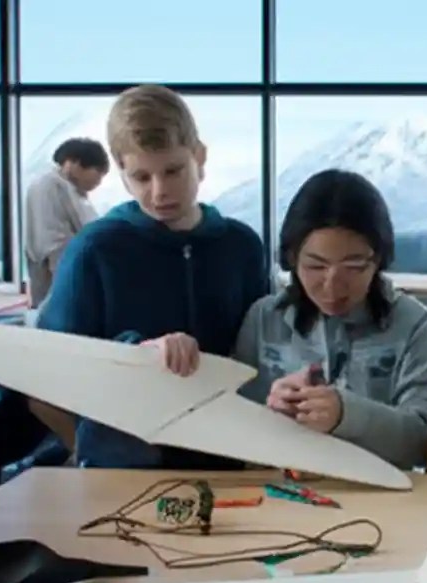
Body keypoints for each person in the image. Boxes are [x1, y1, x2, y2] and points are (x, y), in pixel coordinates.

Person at [36, 84, 269, 470]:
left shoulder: (242, 247)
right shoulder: (94, 250)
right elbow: (49, 377)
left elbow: (262, 356)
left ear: (200, 156)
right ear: (122, 174)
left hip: (228, 463)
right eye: (142, 177)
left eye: (173, 170)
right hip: (122, 470)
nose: (160, 191)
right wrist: (135, 356)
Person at [228, 168, 427, 470]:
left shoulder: (413, 324)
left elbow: (425, 442)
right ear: (292, 259)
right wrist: (272, 411)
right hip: (277, 498)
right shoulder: (265, 318)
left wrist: (347, 414)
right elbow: (230, 434)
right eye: (315, 266)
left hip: (382, 501)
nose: (332, 286)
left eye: (354, 266)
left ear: (379, 259)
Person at [23, 137, 108, 309]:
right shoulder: (48, 187)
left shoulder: (71, 190)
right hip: (61, 289)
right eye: (98, 172)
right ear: (73, 163)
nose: (99, 181)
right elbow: (54, 246)